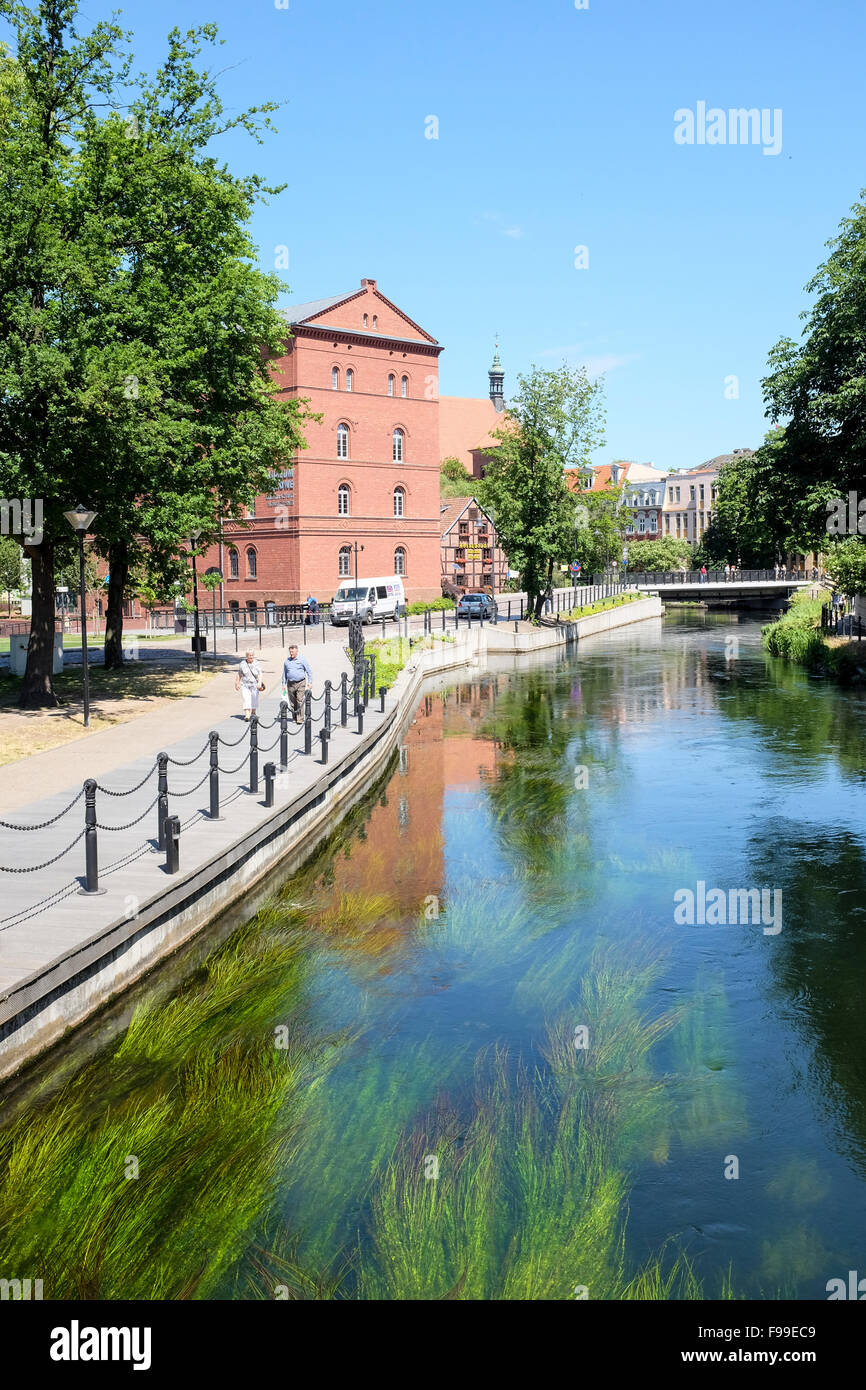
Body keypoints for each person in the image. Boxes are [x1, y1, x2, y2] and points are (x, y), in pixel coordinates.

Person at [282, 643, 312, 724]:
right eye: (290, 652)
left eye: (293, 652)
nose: (291, 653)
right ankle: (294, 717)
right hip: (290, 683)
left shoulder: (302, 660)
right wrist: (283, 684)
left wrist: (310, 682)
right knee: (292, 702)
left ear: (297, 651)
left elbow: (309, 671)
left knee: (299, 700)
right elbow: (284, 673)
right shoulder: (287, 661)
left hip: (300, 682)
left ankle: (300, 718)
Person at [235, 649, 265, 721]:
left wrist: (259, 683)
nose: (251, 657)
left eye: (252, 655)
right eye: (249, 655)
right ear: (246, 656)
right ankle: (247, 715)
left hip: (255, 685)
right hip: (245, 684)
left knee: (254, 699)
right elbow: (239, 674)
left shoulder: (257, 663)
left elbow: (260, 673)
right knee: (246, 698)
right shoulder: (242, 663)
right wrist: (237, 683)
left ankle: (253, 712)